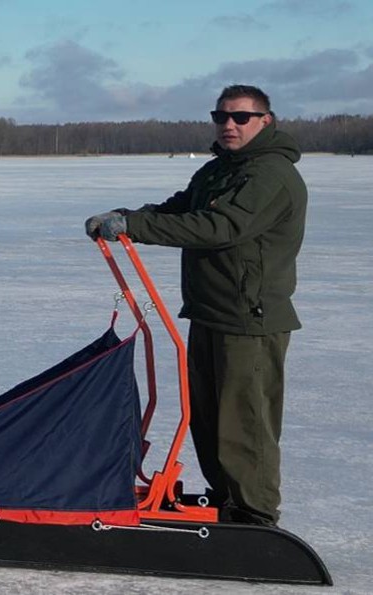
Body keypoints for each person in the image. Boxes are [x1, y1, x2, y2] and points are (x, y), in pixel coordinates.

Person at [85, 85, 307, 526]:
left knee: (243, 423)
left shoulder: (271, 175)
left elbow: (219, 227)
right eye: (221, 117)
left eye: (241, 117)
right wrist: (127, 217)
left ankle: (255, 516)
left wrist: (136, 226)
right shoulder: (217, 171)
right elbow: (178, 211)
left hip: (249, 319)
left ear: (265, 121)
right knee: (207, 419)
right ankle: (226, 502)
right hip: (209, 311)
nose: (229, 125)